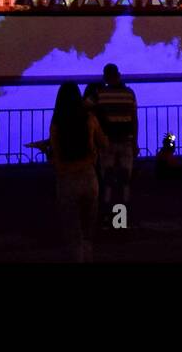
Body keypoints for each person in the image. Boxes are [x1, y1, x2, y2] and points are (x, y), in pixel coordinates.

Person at [49, 83, 108, 262]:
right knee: (88, 232)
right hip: (89, 178)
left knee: (73, 232)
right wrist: (91, 157)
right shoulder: (89, 119)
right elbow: (104, 142)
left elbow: (56, 155)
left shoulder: (57, 122)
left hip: (67, 180)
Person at [95, 64, 138, 218]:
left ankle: (108, 213)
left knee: (107, 178)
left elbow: (96, 118)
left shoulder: (100, 95)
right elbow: (134, 120)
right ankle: (122, 216)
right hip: (126, 140)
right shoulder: (129, 94)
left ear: (105, 76)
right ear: (119, 75)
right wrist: (135, 142)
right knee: (125, 178)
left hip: (107, 142)